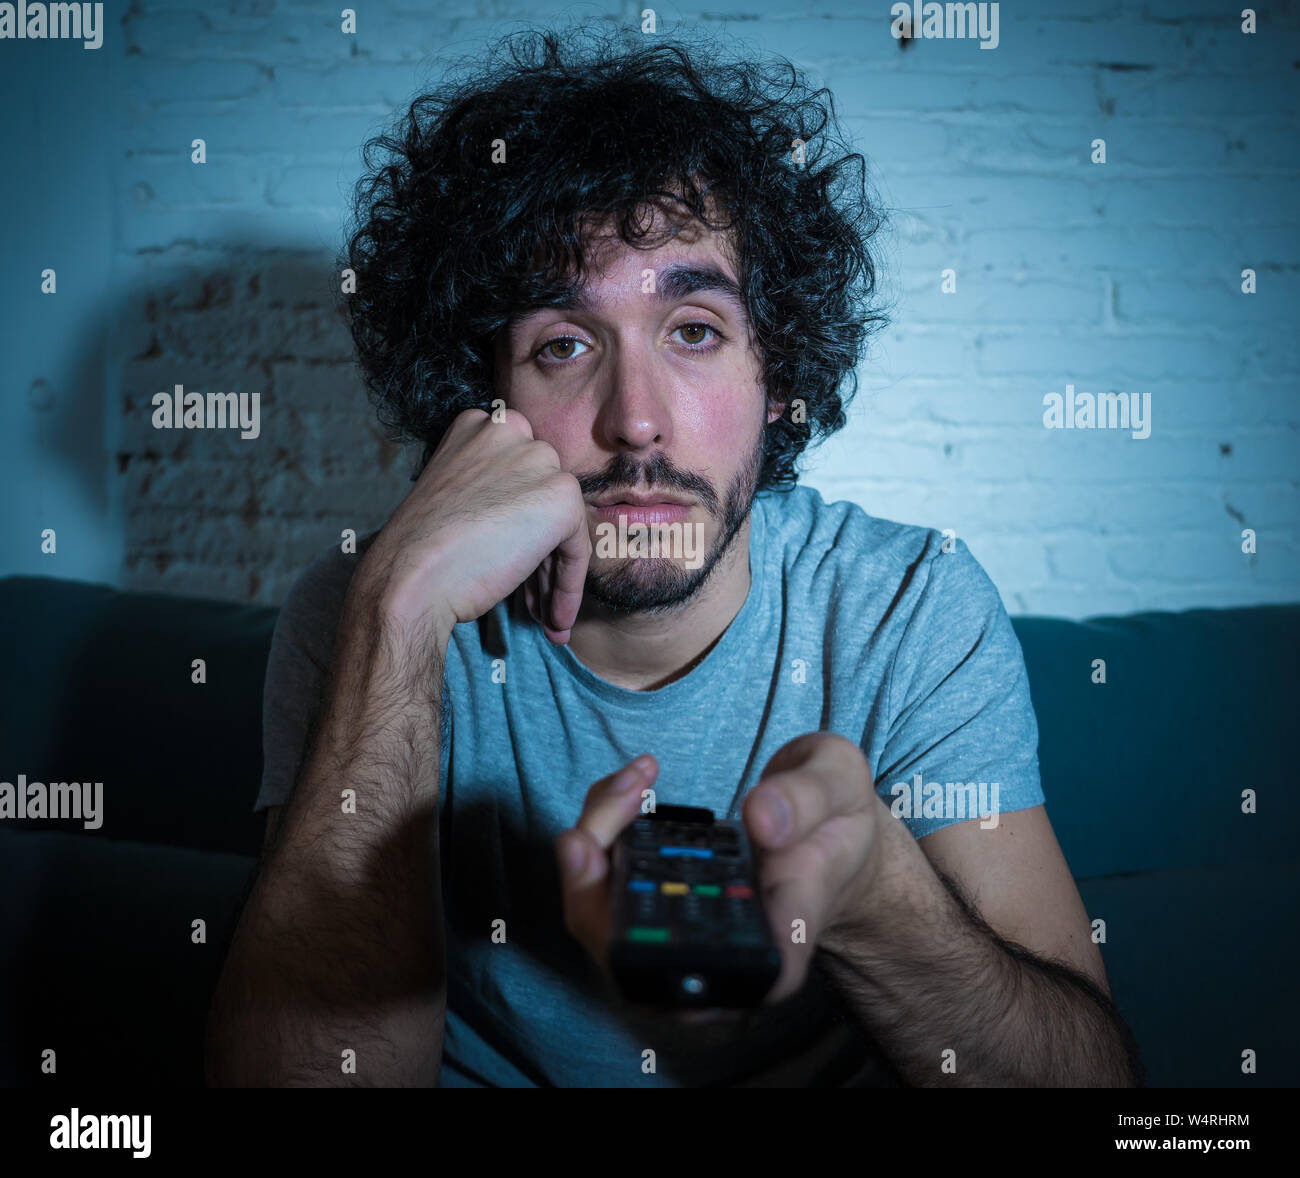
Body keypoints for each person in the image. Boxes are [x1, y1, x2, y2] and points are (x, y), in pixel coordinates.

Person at [205, 26, 1142, 1087]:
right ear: (483, 402)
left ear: (774, 368)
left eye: (693, 329)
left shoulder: (905, 607)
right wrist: (398, 613)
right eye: (562, 344)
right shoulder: (364, 607)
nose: (636, 422)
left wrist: (879, 899)